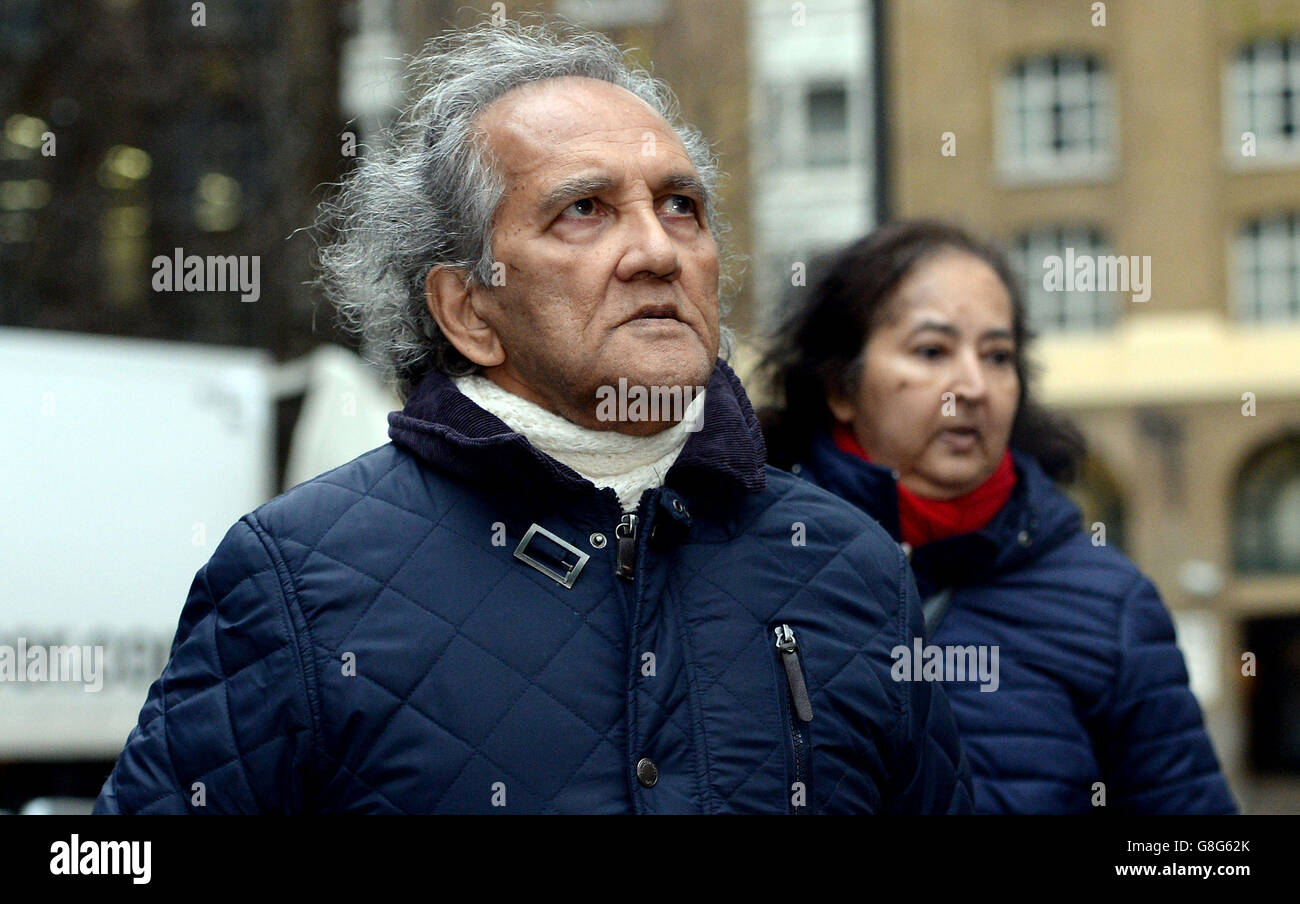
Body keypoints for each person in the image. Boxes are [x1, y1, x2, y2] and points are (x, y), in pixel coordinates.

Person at [93, 21, 972, 814]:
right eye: (584, 210)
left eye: (681, 206)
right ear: (469, 310)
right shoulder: (297, 581)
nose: (659, 251)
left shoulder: (849, 566)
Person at [762, 220, 1237, 814]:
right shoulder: (746, 566)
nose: (973, 385)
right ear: (840, 386)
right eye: (932, 351)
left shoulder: (1109, 605)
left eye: (998, 356)